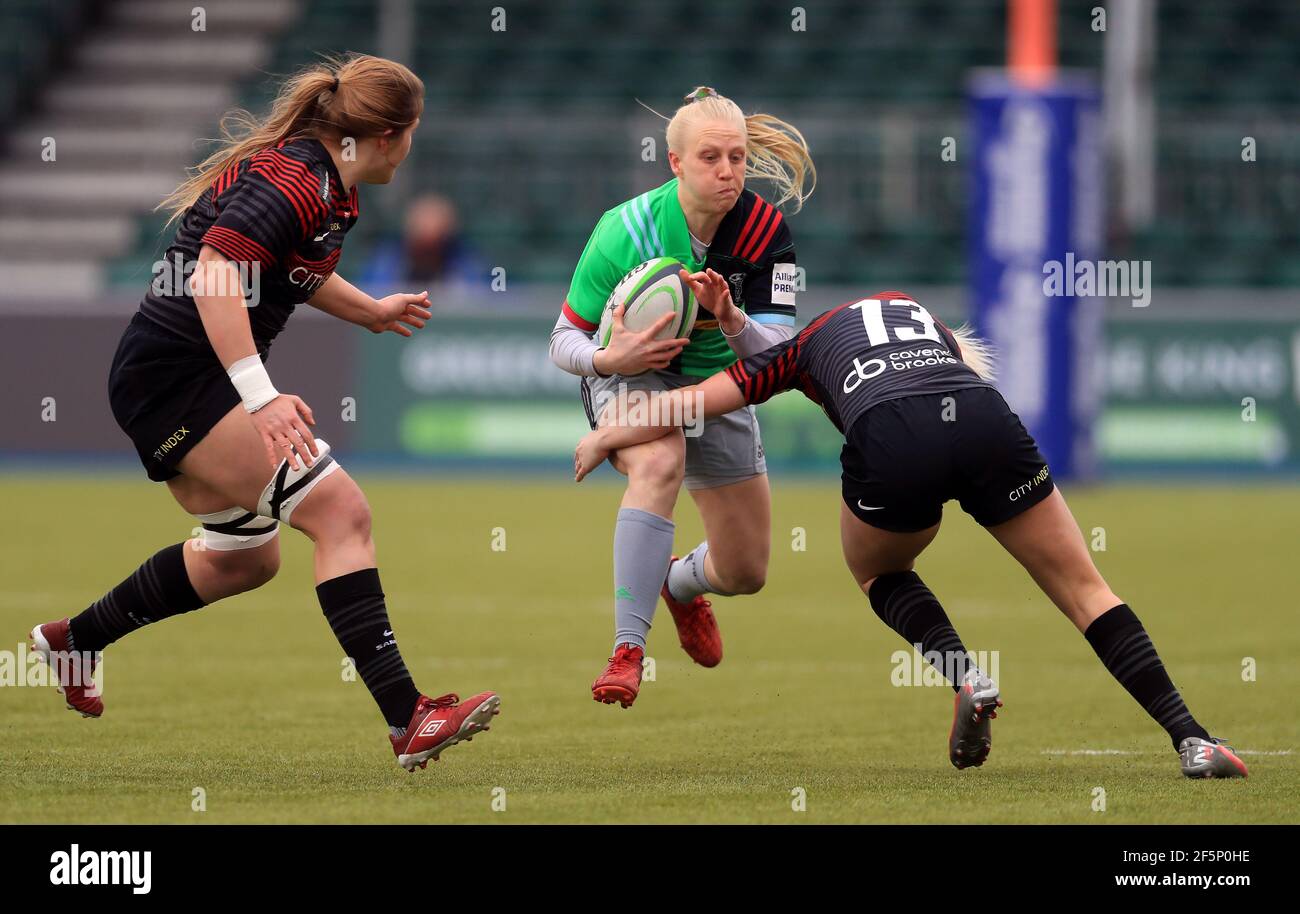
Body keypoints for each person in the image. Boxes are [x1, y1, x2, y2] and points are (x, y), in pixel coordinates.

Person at [574, 277, 1248, 779]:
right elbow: (960, 361)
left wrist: (609, 433)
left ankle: (965, 675)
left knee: (880, 571)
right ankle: (1193, 739)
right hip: (984, 415)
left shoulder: (803, 349)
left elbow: (694, 402)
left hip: (892, 437)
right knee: (1085, 589)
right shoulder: (916, 314)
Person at [27, 54, 499, 773]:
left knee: (247, 559)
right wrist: (263, 396)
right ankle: (410, 719)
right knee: (342, 513)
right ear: (388, 134)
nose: (412, 148)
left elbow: (291, 272)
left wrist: (369, 311)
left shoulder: (327, 185)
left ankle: (75, 641)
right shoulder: (293, 179)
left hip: (181, 379)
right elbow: (216, 273)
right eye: (413, 133)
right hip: (177, 383)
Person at [549, 86, 815, 708]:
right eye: (710, 158)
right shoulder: (625, 229)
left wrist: (730, 319)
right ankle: (627, 651)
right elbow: (563, 341)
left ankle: (676, 582)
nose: (727, 172)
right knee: (661, 460)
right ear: (675, 162)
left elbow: (776, 352)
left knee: (746, 570)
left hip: (716, 386)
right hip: (629, 377)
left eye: (737, 158)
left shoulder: (768, 231)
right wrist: (609, 358)